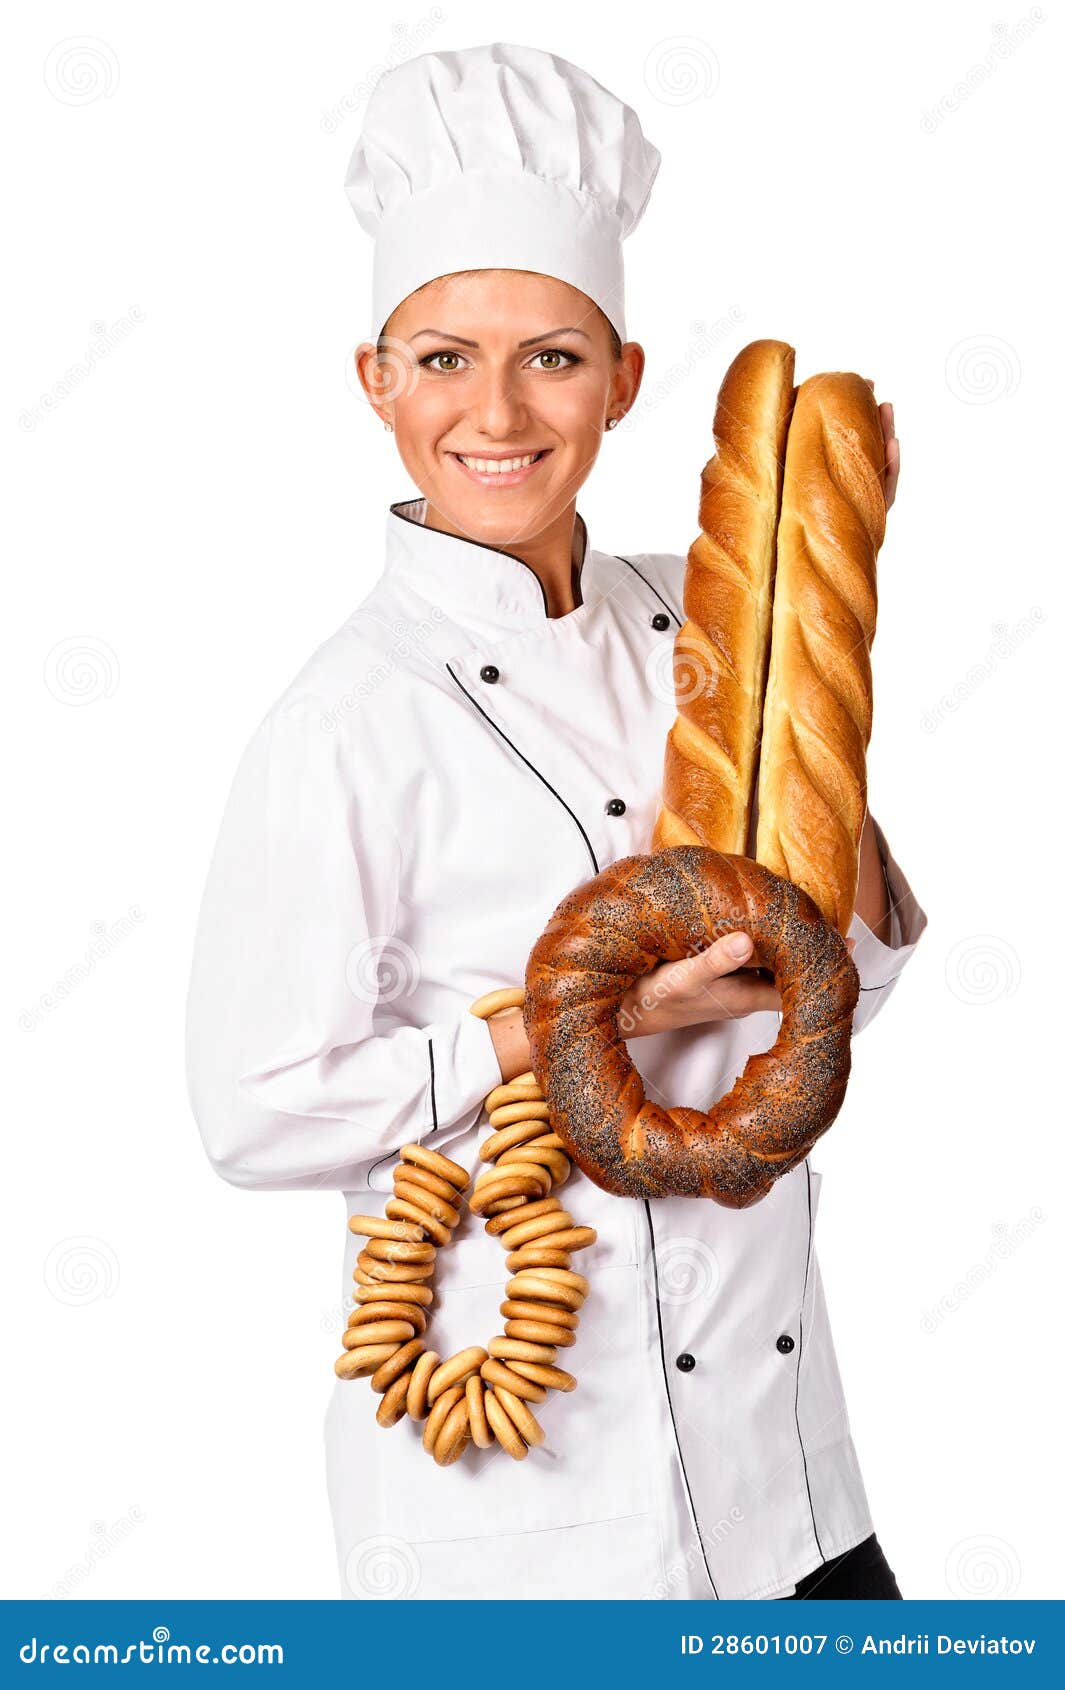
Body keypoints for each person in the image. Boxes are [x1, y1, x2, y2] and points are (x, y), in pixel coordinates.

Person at [185, 43, 927, 1602]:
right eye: (443, 358)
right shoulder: (341, 722)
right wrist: (577, 1022)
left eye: (555, 358)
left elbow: (837, 977)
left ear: (627, 379)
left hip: (791, 1489)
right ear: (373, 380)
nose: (499, 412)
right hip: (524, 1519)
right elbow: (253, 1113)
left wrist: (832, 812)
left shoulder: (711, 622)